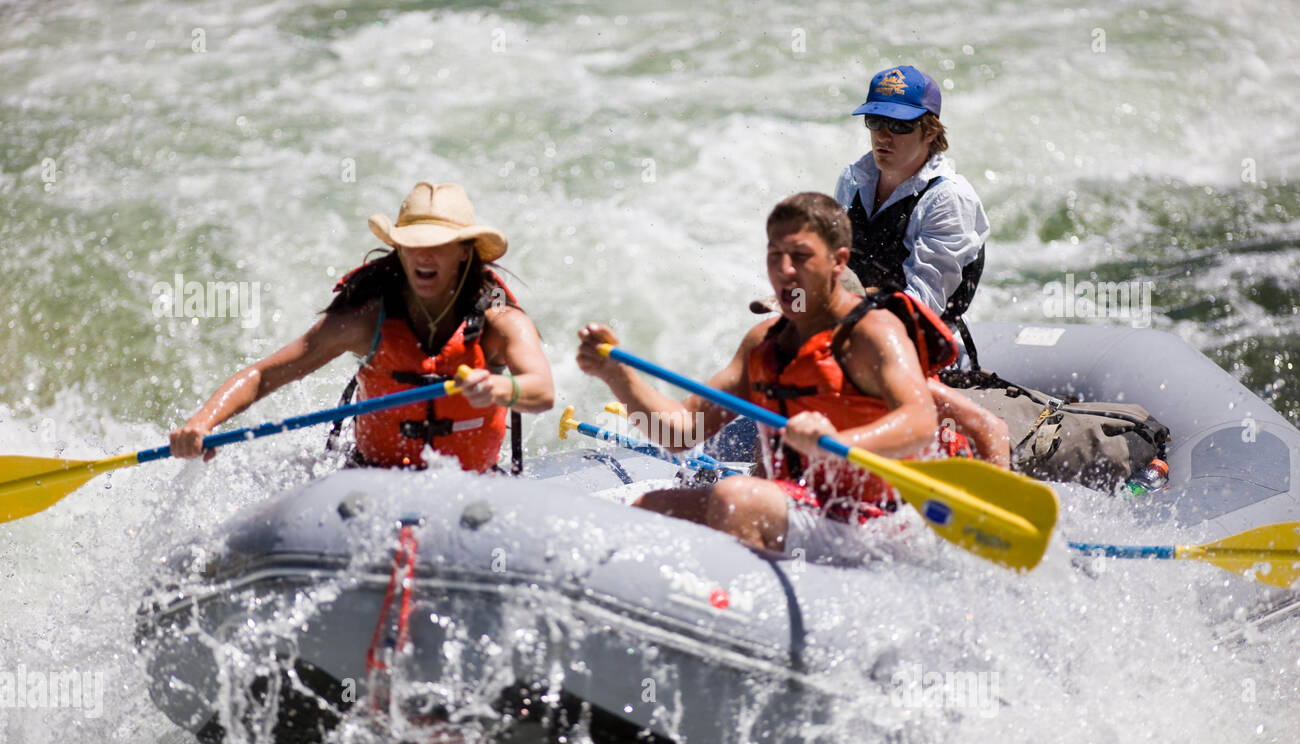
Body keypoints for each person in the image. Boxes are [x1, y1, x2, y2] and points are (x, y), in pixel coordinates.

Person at [577, 192, 1001, 562]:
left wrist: (839, 443)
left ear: (838, 262)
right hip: (811, 507)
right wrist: (617, 376)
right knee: (651, 505)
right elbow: (682, 430)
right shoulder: (762, 344)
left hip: (879, 522)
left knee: (737, 497)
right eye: (774, 255)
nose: (784, 270)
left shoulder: (872, 334)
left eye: (799, 256)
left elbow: (920, 421)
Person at [170, 182, 554, 470]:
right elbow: (263, 375)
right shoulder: (365, 320)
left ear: (464, 253)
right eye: (413, 244)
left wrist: (502, 388)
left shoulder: (500, 321)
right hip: (371, 478)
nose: (424, 256)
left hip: (472, 485)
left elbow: (542, 390)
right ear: (398, 249)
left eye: (438, 245)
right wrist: (203, 422)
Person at [835, 65, 990, 366]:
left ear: (930, 131)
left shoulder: (948, 198)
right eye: (875, 121)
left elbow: (922, 304)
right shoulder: (852, 180)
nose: (883, 136)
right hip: (852, 331)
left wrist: (843, 304)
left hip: (920, 350)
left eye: (898, 125)